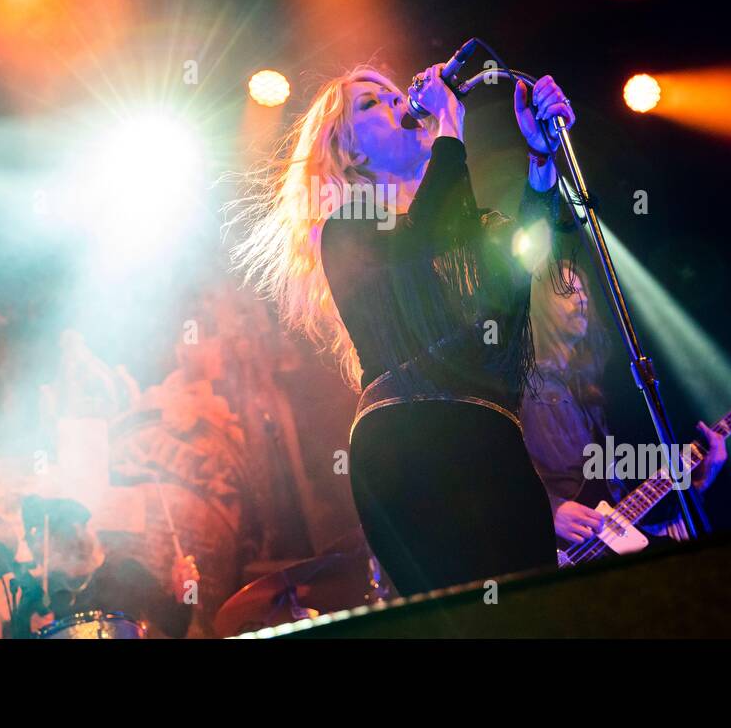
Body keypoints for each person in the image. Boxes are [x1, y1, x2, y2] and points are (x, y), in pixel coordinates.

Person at [230, 60, 576, 595]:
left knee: (533, 606)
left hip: (494, 438)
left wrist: (540, 158)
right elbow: (418, 244)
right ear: (351, 153)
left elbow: (522, 270)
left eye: (394, 95)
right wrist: (448, 131)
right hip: (410, 441)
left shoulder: (467, 226)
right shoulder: (346, 228)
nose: (396, 103)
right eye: (371, 104)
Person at [522, 264, 728, 549]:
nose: (580, 299)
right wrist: (550, 510)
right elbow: (497, 473)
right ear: (539, 306)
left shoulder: (586, 393)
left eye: (582, 291)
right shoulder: (524, 387)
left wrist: (697, 484)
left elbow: (618, 504)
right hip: (555, 551)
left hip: (603, 547)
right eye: (567, 292)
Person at [10, 496, 200, 638]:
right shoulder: (39, 593)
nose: (78, 538)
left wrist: (189, 590)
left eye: (81, 529)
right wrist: (31, 631)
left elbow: (178, 628)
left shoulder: (126, 570)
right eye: (68, 533)